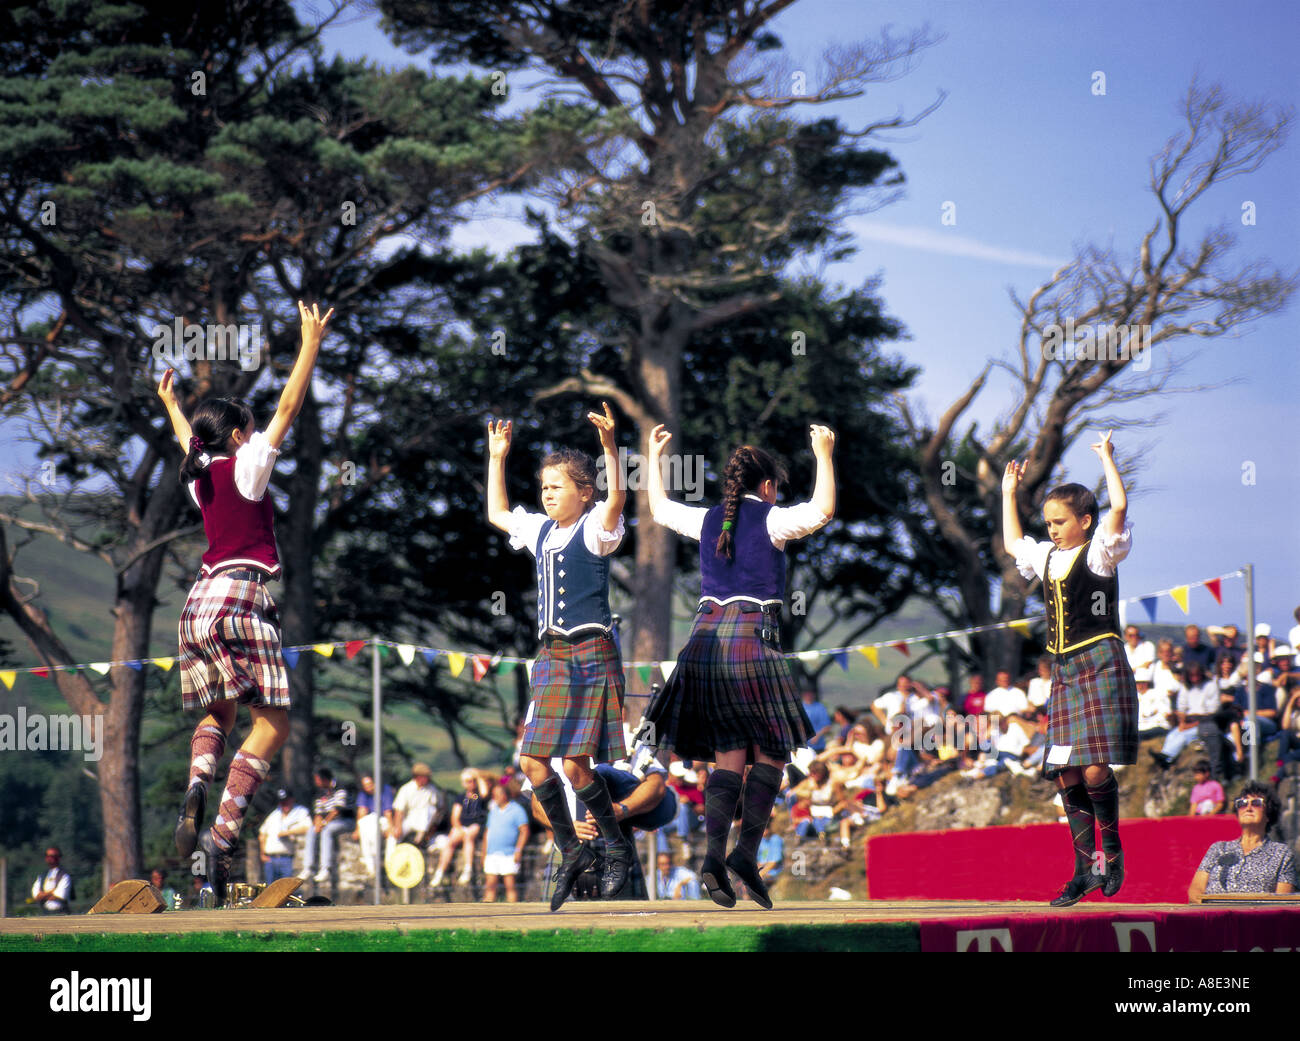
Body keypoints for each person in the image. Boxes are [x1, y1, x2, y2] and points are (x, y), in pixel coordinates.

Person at [159, 300, 333, 905]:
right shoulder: (247, 465)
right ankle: (222, 838)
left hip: (196, 605)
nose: (259, 435)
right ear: (237, 436)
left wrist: (173, 408)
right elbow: (288, 406)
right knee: (274, 725)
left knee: (221, 712)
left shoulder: (199, 473)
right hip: (241, 596)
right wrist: (309, 344)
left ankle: (198, 782)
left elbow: (192, 442)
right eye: (249, 429)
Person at [643, 422, 836, 909]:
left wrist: (653, 458)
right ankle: (745, 853)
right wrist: (824, 452)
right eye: (777, 488)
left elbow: (660, 509)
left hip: (705, 641)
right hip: (752, 639)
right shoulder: (771, 519)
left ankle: (712, 858)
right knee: (771, 751)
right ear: (768, 487)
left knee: (729, 753)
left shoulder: (709, 519)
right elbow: (823, 510)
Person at [486, 404, 631, 911]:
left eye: (557, 486)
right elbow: (498, 513)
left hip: (591, 653)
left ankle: (614, 847)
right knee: (531, 761)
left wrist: (610, 449)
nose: (547, 493)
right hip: (550, 656)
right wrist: (497, 457)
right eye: (544, 486)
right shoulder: (540, 532)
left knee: (575, 767)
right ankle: (572, 850)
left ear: (583, 492)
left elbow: (617, 496)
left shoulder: (596, 527)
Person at [1002, 430, 1137, 906]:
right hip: (1063, 671)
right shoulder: (1046, 555)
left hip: (1100, 663)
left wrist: (1106, 459)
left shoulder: (1100, 550)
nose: (1053, 529)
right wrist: (1007, 493)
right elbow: (1014, 540)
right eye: (1049, 522)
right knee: (1065, 773)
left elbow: (1117, 506)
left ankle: (1113, 850)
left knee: (1097, 772)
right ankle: (1084, 869)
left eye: (1060, 522)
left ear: (1084, 520)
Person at [528, 750, 678, 902]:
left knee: (627, 922)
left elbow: (656, 786)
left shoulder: (630, 738)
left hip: (618, 853)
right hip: (568, 849)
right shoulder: (557, 742)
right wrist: (566, 827)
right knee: (556, 923)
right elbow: (536, 804)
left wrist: (623, 808)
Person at [1187, 782, 1297, 901]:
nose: (1248, 808)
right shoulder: (1218, 849)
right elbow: (1196, 889)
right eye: (1242, 804)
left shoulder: (1281, 854)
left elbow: (1282, 901)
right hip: (1214, 916)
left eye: (1256, 803)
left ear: (1268, 814)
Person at [431, 769, 491, 887]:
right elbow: (455, 816)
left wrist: (477, 776)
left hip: (476, 825)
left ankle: (467, 869)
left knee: (469, 837)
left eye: (472, 781)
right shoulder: (460, 797)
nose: (470, 784)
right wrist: (459, 828)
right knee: (450, 842)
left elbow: (484, 792)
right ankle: (440, 872)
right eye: (467, 781)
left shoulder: (479, 795)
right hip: (462, 826)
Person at [482, 782, 530, 903]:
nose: (494, 798)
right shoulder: (493, 811)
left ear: (505, 795)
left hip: (509, 853)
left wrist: (518, 850)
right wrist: (484, 852)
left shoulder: (517, 810)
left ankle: (512, 913)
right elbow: (487, 833)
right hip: (492, 853)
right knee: (490, 885)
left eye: (497, 795)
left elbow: (524, 831)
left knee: (510, 885)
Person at [302, 768, 352, 884]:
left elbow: (337, 811)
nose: (316, 782)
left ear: (324, 779)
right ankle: (308, 867)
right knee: (311, 831)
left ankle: (326, 868)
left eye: (317, 779)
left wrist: (323, 824)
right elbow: (318, 812)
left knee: (327, 831)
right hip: (330, 821)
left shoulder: (340, 788)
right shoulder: (321, 792)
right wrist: (318, 824)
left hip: (345, 821)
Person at [257, 788, 310, 884]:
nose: (284, 804)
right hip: (270, 859)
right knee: (270, 891)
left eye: (286, 801)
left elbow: (307, 828)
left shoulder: (300, 811)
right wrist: (262, 854)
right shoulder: (274, 814)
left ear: (292, 799)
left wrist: (288, 833)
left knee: (286, 890)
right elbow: (262, 834)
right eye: (282, 801)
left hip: (287, 858)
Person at [392, 763, 448, 847]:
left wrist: (433, 827)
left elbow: (439, 809)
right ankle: (389, 857)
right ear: (418, 777)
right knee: (393, 838)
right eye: (426, 777)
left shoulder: (432, 790)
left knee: (428, 810)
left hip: (425, 821)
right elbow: (399, 810)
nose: (428, 779)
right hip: (409, 818)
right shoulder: (406, 789)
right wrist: (397, 827)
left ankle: (419, 840)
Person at [352, 774, 396, 879]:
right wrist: (357, 830)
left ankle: (380, 861)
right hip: (370, 821)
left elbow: (388, 812)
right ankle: (370, 866)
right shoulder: (363, 793)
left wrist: (390, 827)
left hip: (383, 820)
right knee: (364, 824)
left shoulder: (385, 790)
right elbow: (362, 811)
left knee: (373, 823)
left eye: (370, 784)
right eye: (365, 785)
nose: (368, 787)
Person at [31, 847, 73, 914]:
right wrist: (52, 892)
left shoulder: (65, 875)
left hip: (61, 913)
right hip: (45, 913)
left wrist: (43, 895)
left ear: (58, 858)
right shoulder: (42, 876)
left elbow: (61, 895)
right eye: (47, 856)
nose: (49, 858)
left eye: (52, 856)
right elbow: (36, 896)